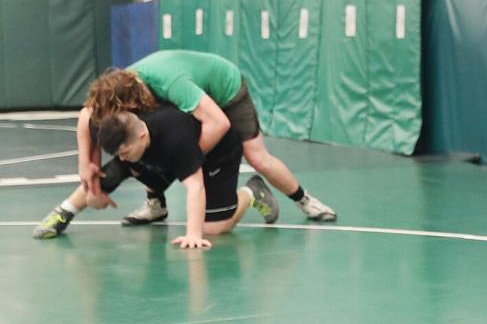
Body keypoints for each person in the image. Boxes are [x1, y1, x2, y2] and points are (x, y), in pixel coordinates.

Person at [74, 50, 335, 226]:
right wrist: (85, 163)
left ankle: (303, 200)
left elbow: (218, 123)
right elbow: (87, 114)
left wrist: (184, 161)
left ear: (130, 101)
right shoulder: (121, 85)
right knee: (145, 144)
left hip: (227, 92)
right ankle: (156, 204)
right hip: (195, 94)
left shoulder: (172, 85)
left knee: (257, 157)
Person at [34, 102, 278, 249]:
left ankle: (251, 192)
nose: (123, 157)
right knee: (111, 173)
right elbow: (87, 113)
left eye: (125, 151)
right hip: (161, 156)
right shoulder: (122, 132)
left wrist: (193, 234)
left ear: (141, 137)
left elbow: (195, 186)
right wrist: (88, 175)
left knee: (215, 228)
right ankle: (62, 213)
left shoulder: (175, 139)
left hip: (217, 152)